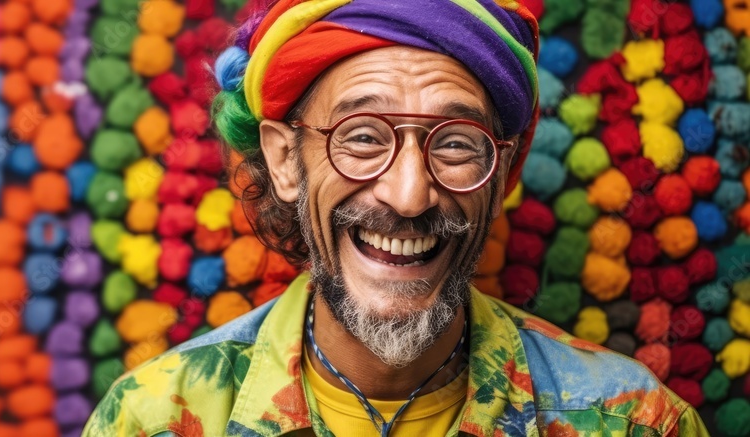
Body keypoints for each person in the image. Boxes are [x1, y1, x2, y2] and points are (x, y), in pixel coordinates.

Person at [83, 0, 710, 435]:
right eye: (360, 137)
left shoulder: (631, 421)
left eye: (456, 143)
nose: (409, 196)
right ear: (285, 161)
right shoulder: (154, 420)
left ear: (503, 171)